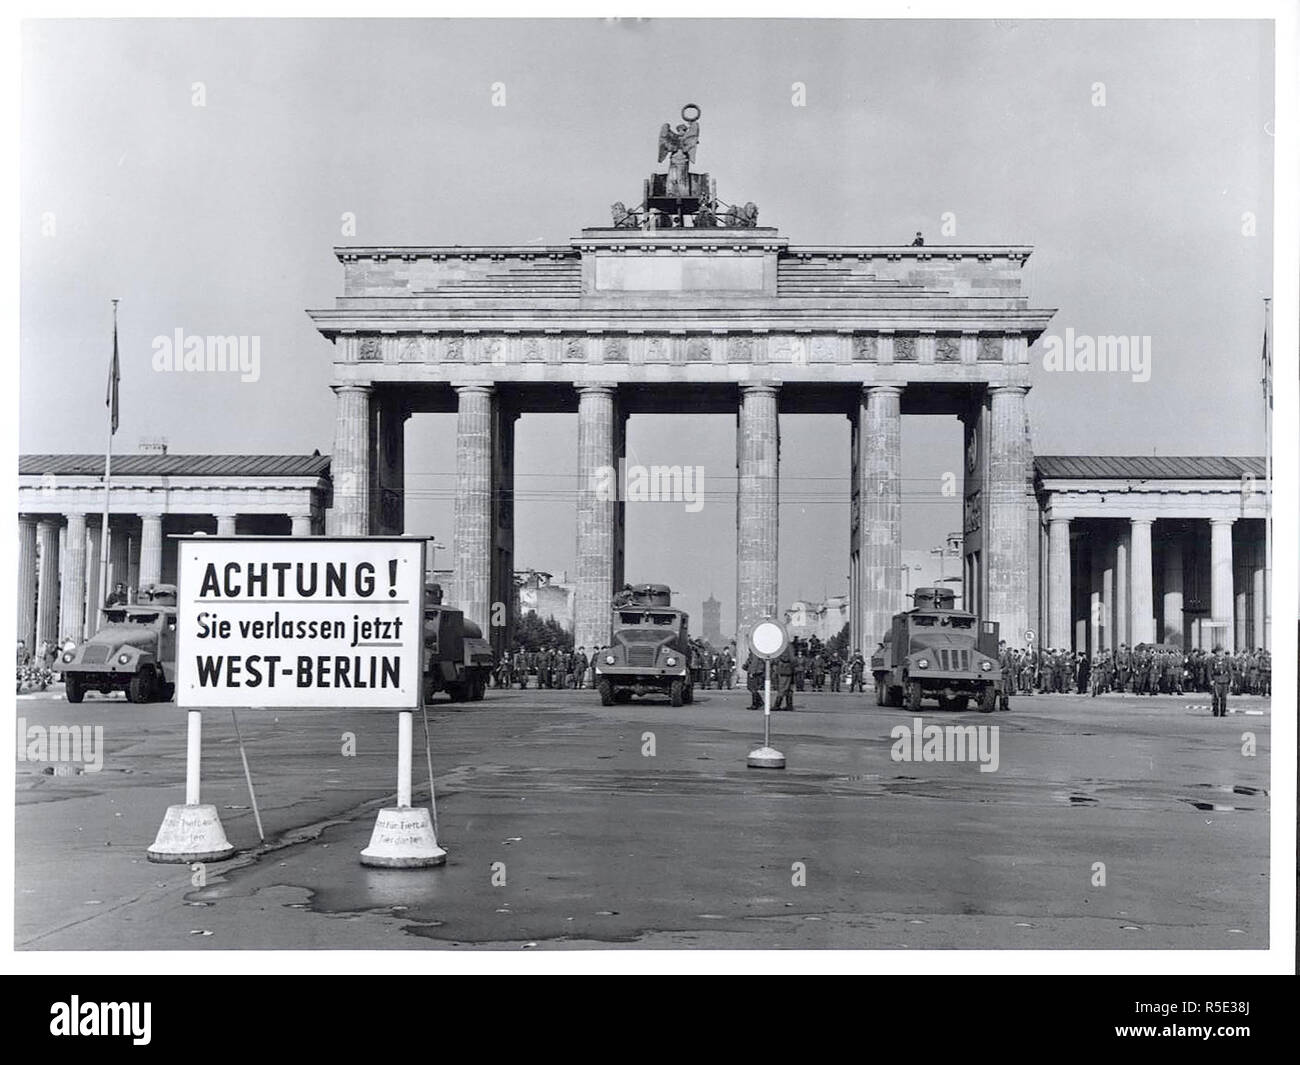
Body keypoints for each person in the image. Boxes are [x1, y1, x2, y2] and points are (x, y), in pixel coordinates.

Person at [1209, 646, 1232, 717]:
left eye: (1221, 651)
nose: (1220, 653)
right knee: (1216, 697)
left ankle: (1223, 712)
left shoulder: (1226, 660)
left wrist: (1231, 680)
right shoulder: (1212, 660)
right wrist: (1210, 680)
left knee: (1224, 697)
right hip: (1216, 679)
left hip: (1225, 680)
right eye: (1218, 651)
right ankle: (1215, 712)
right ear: (1215, 652)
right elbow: (1209, 671)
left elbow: (1230, 670)